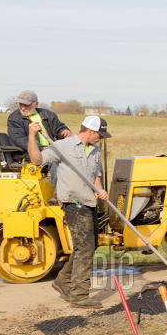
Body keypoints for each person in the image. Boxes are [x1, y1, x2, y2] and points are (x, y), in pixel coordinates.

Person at [27, 114, 110, 307]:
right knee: (85, 247)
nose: (102, 138)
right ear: (90, 131)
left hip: (89, 201)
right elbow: (37, 160)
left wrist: (100, 190)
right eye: (100, 134)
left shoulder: (95, 150)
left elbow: (95, 174)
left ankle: (63, 281)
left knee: (91, 244)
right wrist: (32, 136)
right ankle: (79, 296)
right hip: (73, 202)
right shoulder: (63, 147)